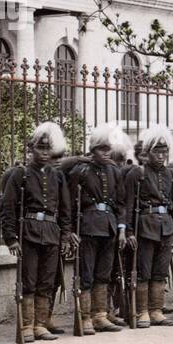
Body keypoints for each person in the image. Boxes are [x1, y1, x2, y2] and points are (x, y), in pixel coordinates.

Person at [0, 122, 75, 344]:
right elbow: (7, 207)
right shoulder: (19, 175)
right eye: (39, 148)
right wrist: (11, 238)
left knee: (47, 281)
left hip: (51, 233)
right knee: (29, 281)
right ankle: (26, 326)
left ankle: (41, 325)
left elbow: (64, 208)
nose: (44, 152)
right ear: (30, 148)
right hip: (29, 233)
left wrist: (66, 234)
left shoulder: (57, 176)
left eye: (47, 148)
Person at [65, 124, 129, 333]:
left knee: (104, 273)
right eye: (101, 149)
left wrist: (121, 230)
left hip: (109, 227)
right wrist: (70, 230)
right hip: (87, 226)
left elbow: (121, 204)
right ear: (92, 149)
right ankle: (84, 318)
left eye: (108, 148)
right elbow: (70, 203)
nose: (106, 153)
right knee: (86, 274)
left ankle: (100, 315)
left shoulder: (115, 171)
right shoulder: (80, 170)